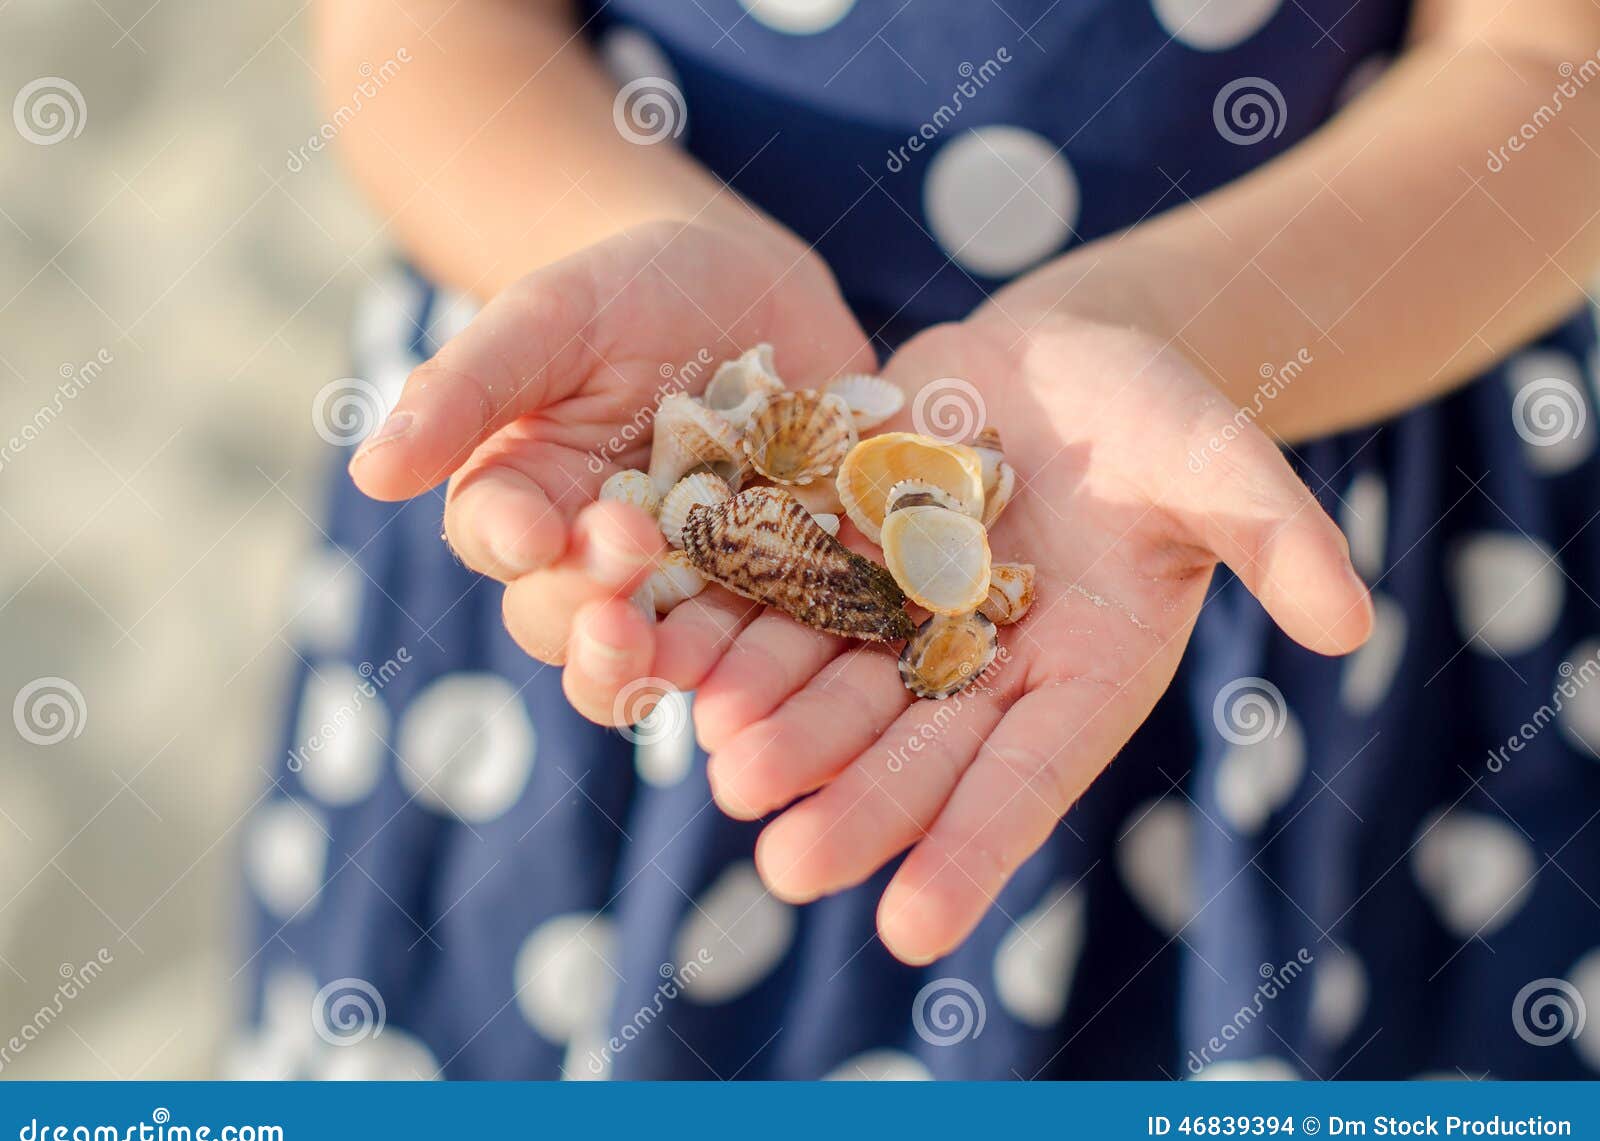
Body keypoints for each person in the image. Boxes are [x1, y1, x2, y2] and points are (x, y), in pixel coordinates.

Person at [236, 0, 1600, 1080]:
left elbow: (1550, 70)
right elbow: (420, 30)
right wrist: (623, 231)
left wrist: (1193, 331)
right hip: (623, 412)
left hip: (1267, 426)